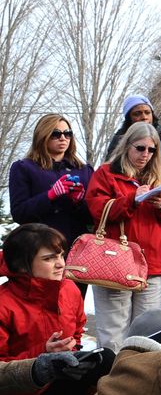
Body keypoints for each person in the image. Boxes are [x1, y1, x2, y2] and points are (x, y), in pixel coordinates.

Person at [0, 224, 113, 395]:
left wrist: (74, 348)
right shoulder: (3, 303)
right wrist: (41, 355)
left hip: (45, 394)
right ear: (22, 265)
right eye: (49, 258)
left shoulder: (69, 288)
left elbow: (79, 325)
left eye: (61, 254)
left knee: (105, 358)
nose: (61, 263)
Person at [84, 122, 161, 350]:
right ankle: (111, 382)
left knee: (147, 334)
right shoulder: (107, 173)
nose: (146, 155)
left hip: (153, 265)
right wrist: (131, 200)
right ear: (127, 146)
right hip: (115, 264)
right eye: (140, 148)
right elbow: (96, 209)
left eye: (151, 150)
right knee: (112, 335)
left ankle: (139, 383)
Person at [8, 114, 94, 275]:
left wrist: (79, 202)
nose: (63, 138)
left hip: (75, 250)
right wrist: (50, 195)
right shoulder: (24, 168)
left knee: (72, 299)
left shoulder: (84, 170)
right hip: (39, 250)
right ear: (43, 135)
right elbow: (19, 213)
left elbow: (93, 217)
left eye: (67, 133)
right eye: (56, 134)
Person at [104, 94, 160, 159]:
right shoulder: (119, 139)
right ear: (129, 118)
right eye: (137, 114)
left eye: (147, 112)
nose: (144, 117)